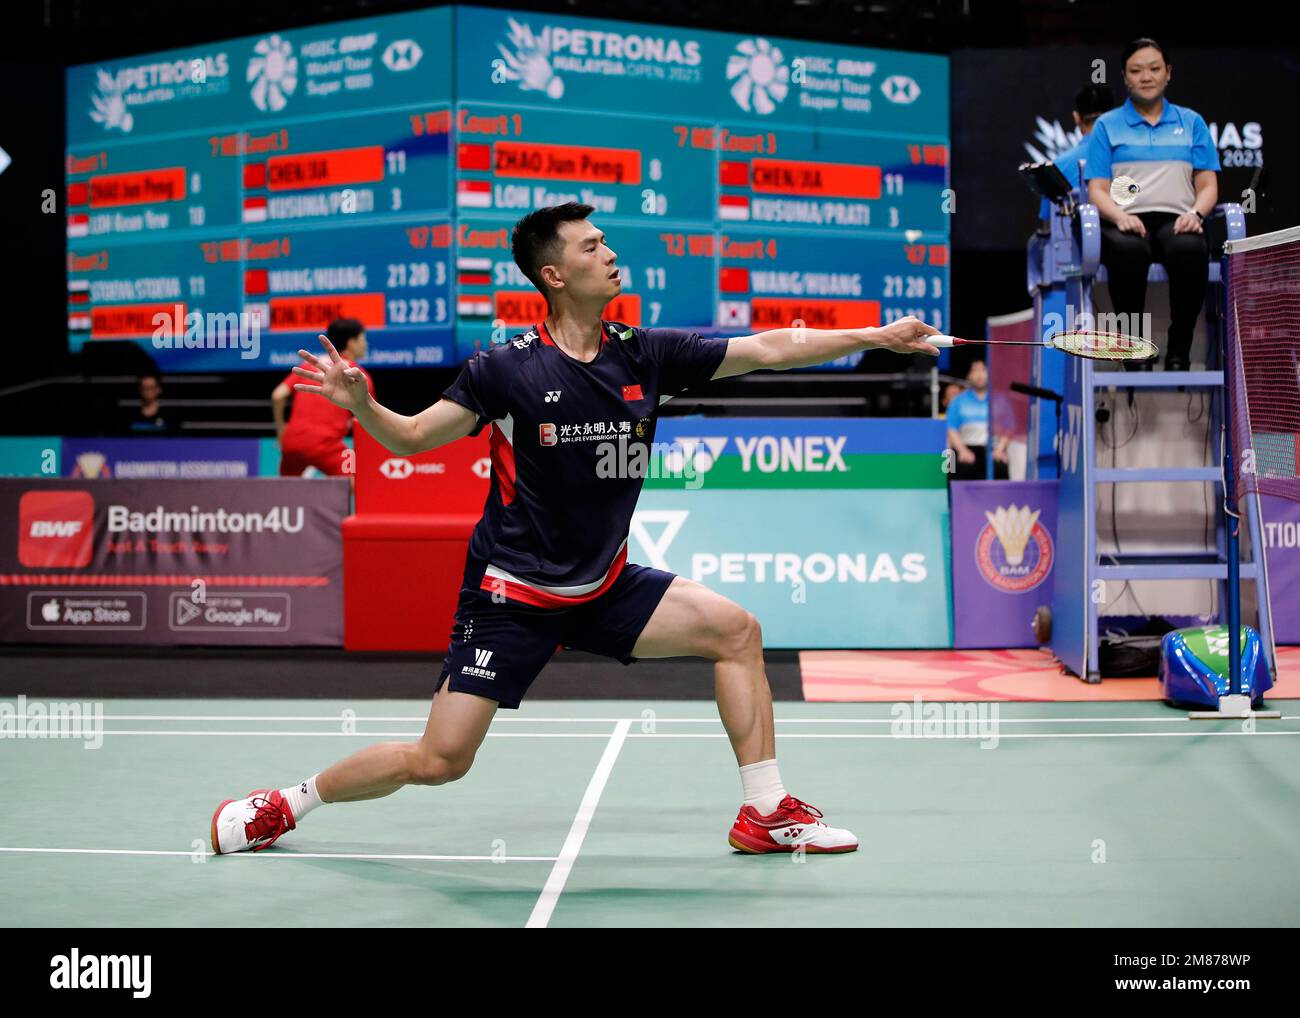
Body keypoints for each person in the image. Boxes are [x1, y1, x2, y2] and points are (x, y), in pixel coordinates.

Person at [211, 202, 942, 856]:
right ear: (554, 274)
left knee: (736, 631)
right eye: (592, 247)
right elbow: (409, 440)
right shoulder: (505, 370)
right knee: (440, 760)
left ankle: (765, 812)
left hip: (603, 583)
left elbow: (771, 348)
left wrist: (880, 335)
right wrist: (361, 405)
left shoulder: (644, 352)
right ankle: (285, 804)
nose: (610, 254)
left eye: (607, 243)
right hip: (512, 597)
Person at [1084, 38, 1220, 372]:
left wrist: (1196, 214)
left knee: (1190, 250)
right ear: (1125, 77)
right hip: (1126, 220)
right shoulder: (1107, 125)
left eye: (1154, 68)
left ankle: (1178, 351)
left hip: (1177, 220)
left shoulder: (1191, 122)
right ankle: (1135, 350)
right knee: (1129, 252)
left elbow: (1208, 185)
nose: (1146, 76)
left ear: (1168, 73)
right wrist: (1119, 216)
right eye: (1136, 70)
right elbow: (1097, 189)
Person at [271, 318, 373, 479]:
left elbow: (278, 395)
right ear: (352, 343)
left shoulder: (308, 366)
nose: (366, 344)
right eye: (363, 339)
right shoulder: (360, 376)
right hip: (328, 446)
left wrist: (281, 432)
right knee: (357, 483)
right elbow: (369, 420)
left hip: (292, 442)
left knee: (286, 493)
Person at [1037, 84, 1116, 227]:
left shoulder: (1056, 168)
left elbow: (1047, 225)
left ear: (1076, 118)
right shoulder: (1128, 160)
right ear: (1115, 118)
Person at [946, 360, 1009, 481]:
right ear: (969, 375)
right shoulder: (958, 401)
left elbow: (1008, 427)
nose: (979, 375)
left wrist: (1000, 449)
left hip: (993, 449)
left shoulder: (1000, 400)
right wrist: (962, 451)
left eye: (983, 370)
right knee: (956, 466)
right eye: (975, 371)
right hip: (966, 447)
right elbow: (951, 429)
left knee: (1000, 466)